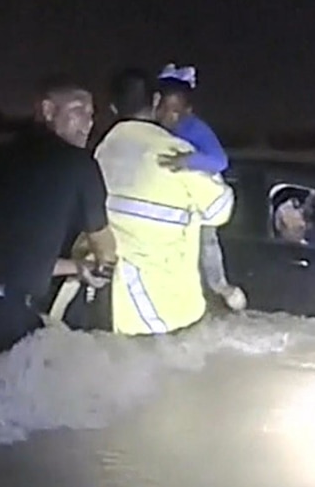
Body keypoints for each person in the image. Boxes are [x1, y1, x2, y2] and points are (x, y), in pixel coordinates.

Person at [0, 76, 117, 369]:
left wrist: (78, 268)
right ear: (48, 110)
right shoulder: (80, 164)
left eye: (91, 114)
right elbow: (105, 253)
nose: (88, 122)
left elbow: (17, 258)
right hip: (8, 319)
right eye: (78, 110)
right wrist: (102, 268)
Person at [92, 68, 234, 336]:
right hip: (169, 311)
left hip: (116, 309)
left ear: (112, 107)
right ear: (156, 100)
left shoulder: (100, 153)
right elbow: (220, 209)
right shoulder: (174, 153)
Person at [154, 63, 246, 312]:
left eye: (177, 111)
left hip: (205, 200)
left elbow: (219, 161)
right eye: (165, 109)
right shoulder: (154, 131)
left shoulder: (194, 128)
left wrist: (186, 161)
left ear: (188, 109)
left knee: (206, 242)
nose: (171, 116)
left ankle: (221, 288)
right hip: (178, 203)